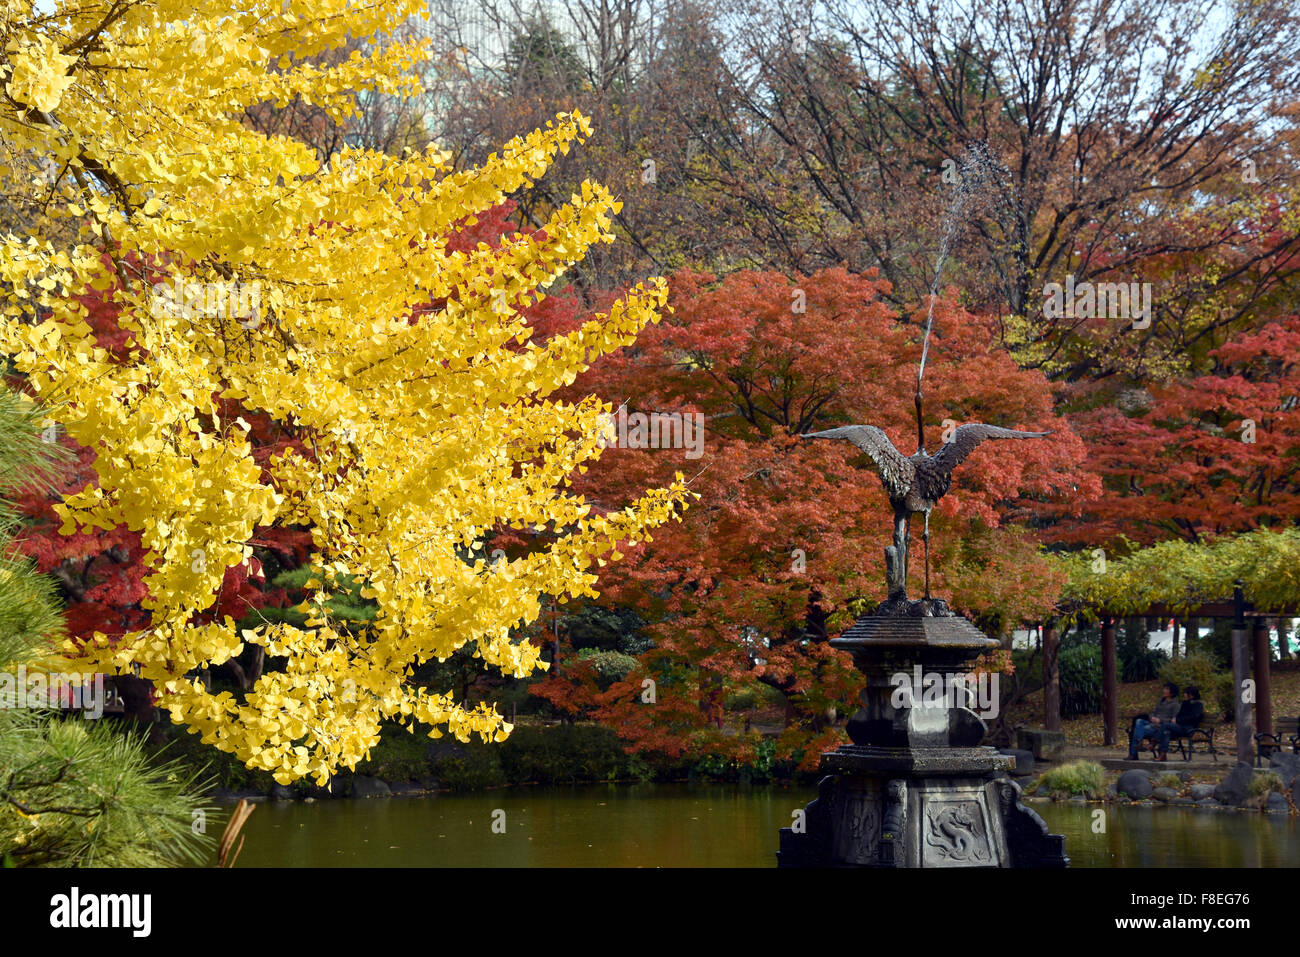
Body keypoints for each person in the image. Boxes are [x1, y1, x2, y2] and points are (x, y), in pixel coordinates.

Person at [1128, 682, 1179, 760]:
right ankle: (1139, 742)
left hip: (1160, 728)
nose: (1164, 690)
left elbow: (1174, 720)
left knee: (1135, 731)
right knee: (1139, 721)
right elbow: (1153, 712)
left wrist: (1160, 720)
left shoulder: (1176, 704)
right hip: (1151, 724)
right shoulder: (1161, 701)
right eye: (1164, 689)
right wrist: (1152, 717)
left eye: (1166, 689)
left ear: (1172, 692)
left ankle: (1133, 754)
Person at [1155, 686, 1204, 757]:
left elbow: (1194, 717)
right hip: (1180, 726)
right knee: (1166, 732)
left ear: (1191, 695)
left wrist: (1177, 720)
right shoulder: (1185, 703)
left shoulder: (1198, 705)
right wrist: (1176, 719)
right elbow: (1179, 715)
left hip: (1188, 728)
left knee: (1166, 725)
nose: (1184, 695)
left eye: (1186, 693)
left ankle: (1154, 741)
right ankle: (1162, 755)